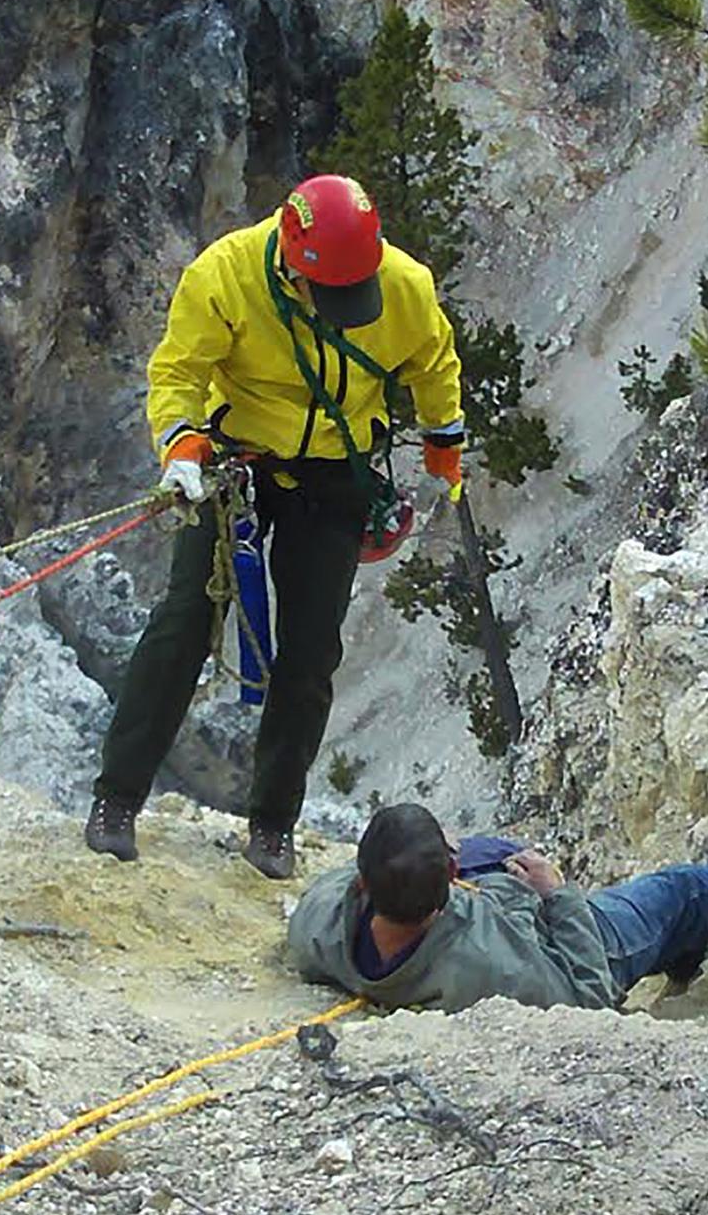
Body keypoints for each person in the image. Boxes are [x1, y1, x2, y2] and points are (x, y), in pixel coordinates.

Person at [85, 175, 465, 878]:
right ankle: (117, 798)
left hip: (333, 469)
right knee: (184, 623)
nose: (348, 306)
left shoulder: (402, 283)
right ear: (293, 262)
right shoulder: (225, 276)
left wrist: (444, 436)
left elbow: (431, 356)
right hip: (235, 461)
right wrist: (180, 444)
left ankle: (273, 822)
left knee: (311, 649)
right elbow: (178, 372)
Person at [286, 803, 708, 1013]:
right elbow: (589, 995)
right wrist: (557, 895)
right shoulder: (484, 965)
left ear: (362, 882)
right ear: (453, 879)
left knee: (679, 912)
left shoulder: (324, 922)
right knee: (679, 892)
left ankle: (686, 945)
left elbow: (344, 886)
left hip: (484, 898)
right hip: (585, 941)